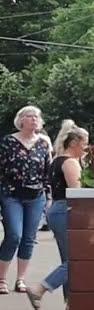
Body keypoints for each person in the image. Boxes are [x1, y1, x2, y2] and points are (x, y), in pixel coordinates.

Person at [25, 119, 88, 310]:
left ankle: (71, 301)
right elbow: (77, 191)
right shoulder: (70, 163)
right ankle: (40, 288)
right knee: (77, 259)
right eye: (84, 143)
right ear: (74, 142)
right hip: (66, 210)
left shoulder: (57, 160)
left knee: (68, 258)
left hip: (57, 209)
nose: (86, 148)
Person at [0, 105, 51, 295]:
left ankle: (20, 279)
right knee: (14, 235)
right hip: (11, 194)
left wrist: (49, 195)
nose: (34, 119)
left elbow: (47, 171)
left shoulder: (43, 144)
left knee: (29, 238)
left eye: (36, 116)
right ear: (21, 120)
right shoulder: (8, 142)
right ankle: (1, 278)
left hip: (36, 196)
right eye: (29, 116)